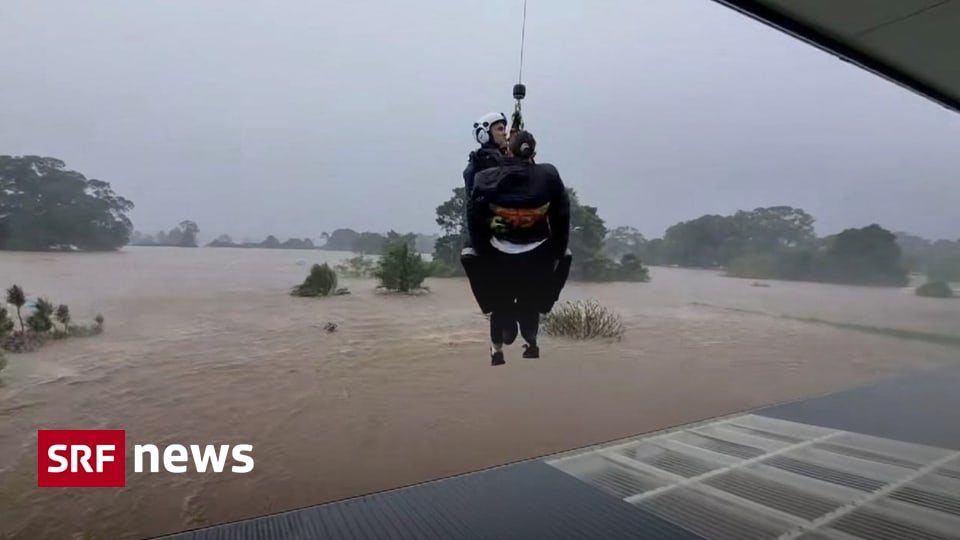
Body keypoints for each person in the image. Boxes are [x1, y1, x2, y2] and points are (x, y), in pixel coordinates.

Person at [466, 130, 572, 366]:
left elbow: (474, 220)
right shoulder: (549, 175)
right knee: (563, 259)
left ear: (508, 150)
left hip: (498, 258)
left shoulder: (484, 178)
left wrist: (485, 254)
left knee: (471, 257)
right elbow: (562, 218)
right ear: (533, 152)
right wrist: (554, 254)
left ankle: (496, 350)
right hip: (537, 258)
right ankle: (535, 334)